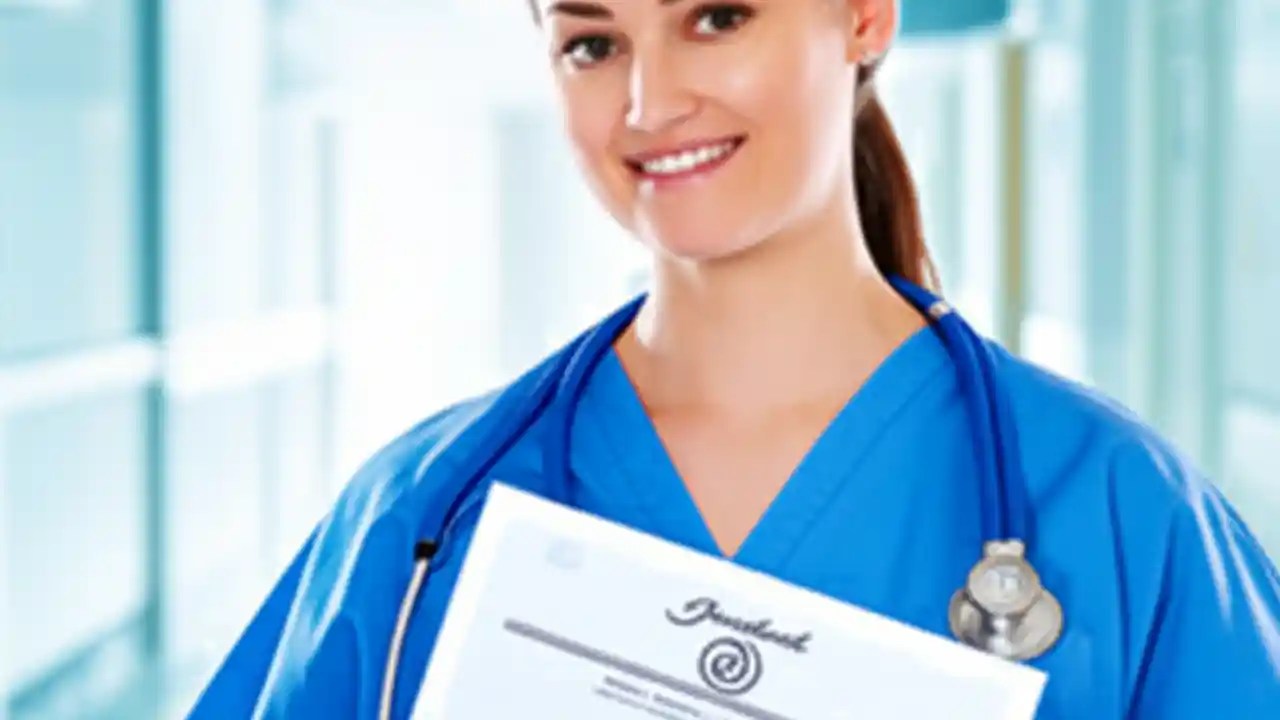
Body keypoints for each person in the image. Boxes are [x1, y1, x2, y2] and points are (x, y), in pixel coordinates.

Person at [189, 1, 1280, 718]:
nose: (648, 104)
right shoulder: (423, 514)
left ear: (862, 17)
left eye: (716, 17)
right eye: (592, 43)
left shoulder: (1119, 508)